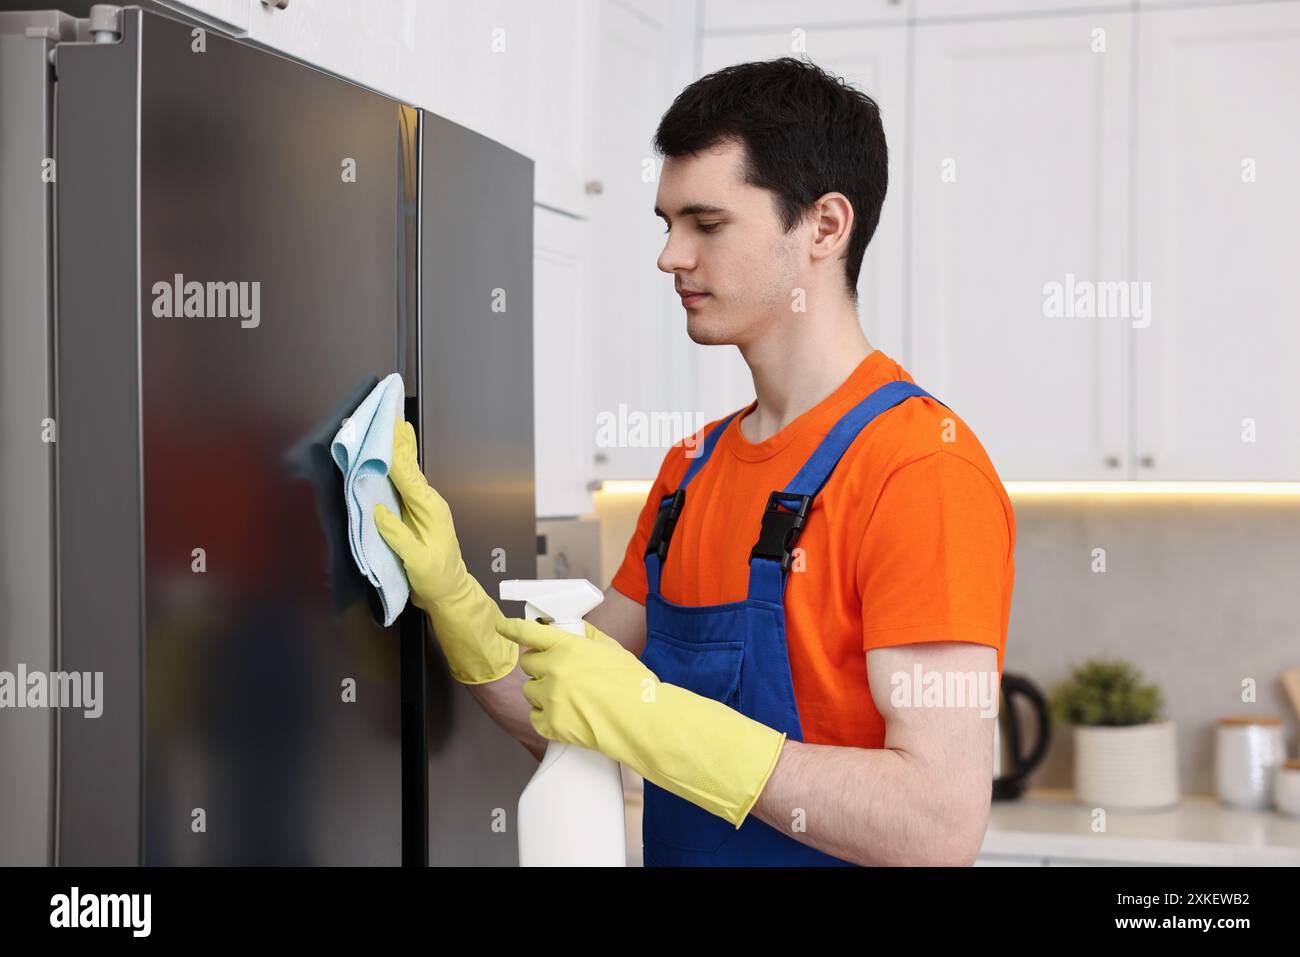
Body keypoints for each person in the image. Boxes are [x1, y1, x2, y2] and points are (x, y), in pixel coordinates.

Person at [375, 57, 1015, 867]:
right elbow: (570, 717)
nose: (670, 256)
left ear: (824, 226)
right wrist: (455, 603)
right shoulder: (691, 470)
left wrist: (653, 716)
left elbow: (937, 822)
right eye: (666, 221)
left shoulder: (920, 471)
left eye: (707, 224)